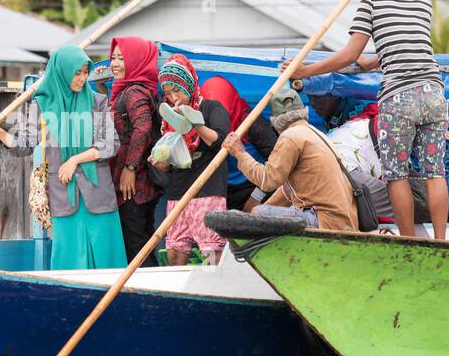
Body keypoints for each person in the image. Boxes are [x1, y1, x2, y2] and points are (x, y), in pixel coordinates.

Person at [282, 0, 448, 239]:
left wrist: (305, 70)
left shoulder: (371, 5)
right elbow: (404, 46)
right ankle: (443, 241)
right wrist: (371, 63)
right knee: (435, 173)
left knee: (396, 175)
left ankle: (410, 241)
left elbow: (348, 55)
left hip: (398, 97)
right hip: (433, 92)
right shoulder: (423, 6)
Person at [0, 45, 125, 270]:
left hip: (98, 195)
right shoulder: (41, 105)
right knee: (70, 262)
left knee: (107, 259)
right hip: (64, 194)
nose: (83, 78)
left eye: (86, 72)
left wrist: (75, 160)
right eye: (77, 72)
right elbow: (25, 144)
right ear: (62, 72)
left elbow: (111, 144)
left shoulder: (97, 102)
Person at [222, 85, 359, 231]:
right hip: (342, 220)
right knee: (260, 212)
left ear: (275, 122)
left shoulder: (290, 136)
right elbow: (287, 191)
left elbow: (267, 180)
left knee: (257, 214)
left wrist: (240, 154)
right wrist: (262, 209)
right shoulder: (314, 133)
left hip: (325, 219)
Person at [149, 54, 231, 265]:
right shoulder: (167, 118)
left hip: (208, 191)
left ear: (188, 85)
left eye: (177, 90)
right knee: (175, 249)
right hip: (178, 192)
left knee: (210, 250)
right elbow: (171, 161)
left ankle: (211, 289)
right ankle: (179, 292)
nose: (173, 97)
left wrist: (194, 123)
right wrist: (162, 163)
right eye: (167, 93)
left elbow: (220, 141)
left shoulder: (212, 108)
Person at [108, 36, 161, 266]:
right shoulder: (130, 89)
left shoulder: (134, 92)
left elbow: (143, 127)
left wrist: (129, 168)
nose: (115, 63)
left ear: (137, 61)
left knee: (136, 247)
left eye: (122, 58)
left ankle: (152, 294)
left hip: (134, 185)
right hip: (139, 183)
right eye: (113, 57)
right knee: (142, 243)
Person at [200, 76, 278, 212]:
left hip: (256, 188)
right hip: (223, 193)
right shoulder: (203, 126)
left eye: (221, 110)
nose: (217, 116)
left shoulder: (252, 123)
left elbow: (278, 165)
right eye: (212, 110)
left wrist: (256, 198)